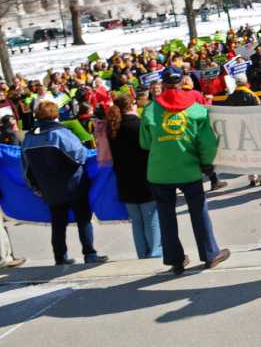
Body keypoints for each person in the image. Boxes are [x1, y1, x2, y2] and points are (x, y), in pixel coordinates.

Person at [141, 69, 230, 275]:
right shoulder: (197, 110)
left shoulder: (149, 110)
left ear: (162, 84)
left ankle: (175, 260)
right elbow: (207, 143)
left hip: (160, 172)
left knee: (166, 215)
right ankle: (209, 253)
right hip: (188, 169)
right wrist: (207, 164)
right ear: (182, 82)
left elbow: (145, 143)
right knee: (198, 212)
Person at [21, 100, 108, 265]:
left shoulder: (28, 139)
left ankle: (60, 257)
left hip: (49, 188)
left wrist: (35, 186)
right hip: (73, 184)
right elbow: (80, 155)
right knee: (83, 219)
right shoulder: (61, 133)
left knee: (58, 223)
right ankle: (90, 254)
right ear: (55, 114)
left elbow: (25, 167)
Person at [108, 94, 162, 259]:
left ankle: (142, 254)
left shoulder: (112, 128)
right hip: (144, 176)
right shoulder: (139, 125)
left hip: (124, 179)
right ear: (132, 105)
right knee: (151, 218)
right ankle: (154, 252)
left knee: (136, 221)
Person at [223, 73, 261, 187]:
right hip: (252, 126)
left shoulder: (231, 97)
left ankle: (252, 177)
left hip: (238, 128)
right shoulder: (251, 95)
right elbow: (257, 112)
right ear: (246, 83)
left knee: (247, 153)